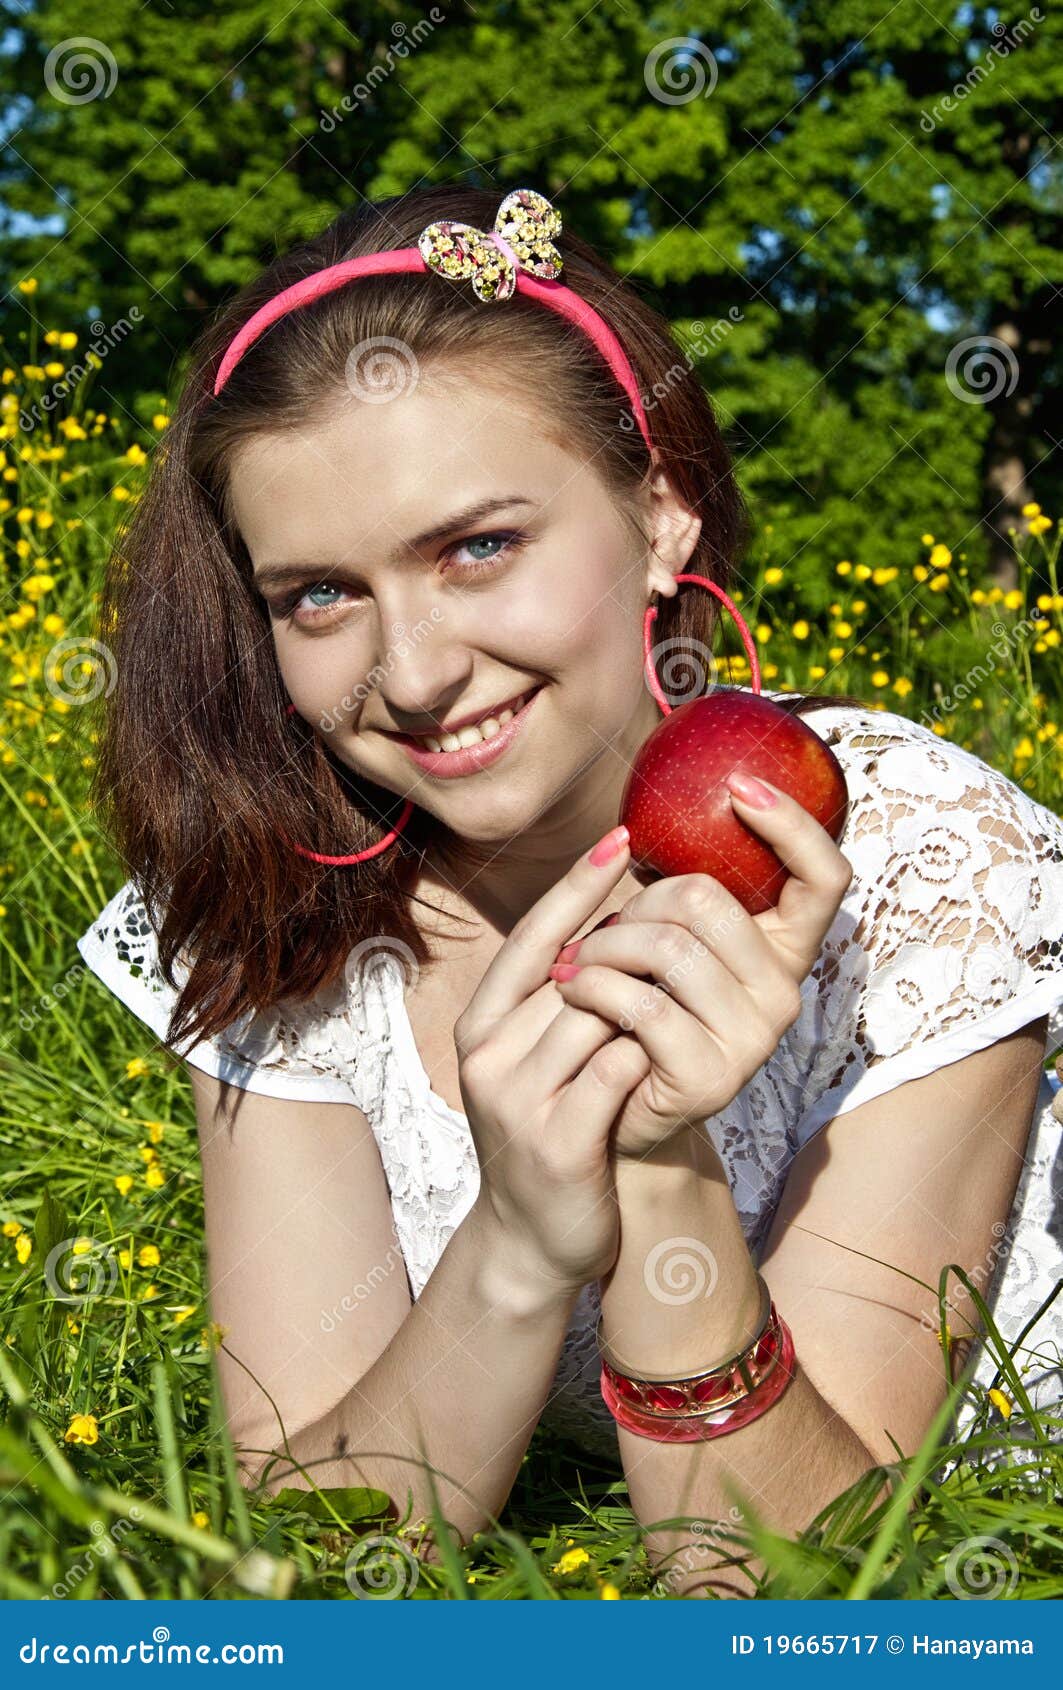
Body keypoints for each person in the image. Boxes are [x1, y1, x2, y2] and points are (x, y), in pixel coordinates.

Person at [75, 184, 1063, 1597]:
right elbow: (315, 1547)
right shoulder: (273, 901)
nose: (409, 671)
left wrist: (663, 1171)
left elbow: (789, 1588)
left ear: (660, 516)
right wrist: (522, 1240)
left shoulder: (916, 863)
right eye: (318, 596)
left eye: (479, 546)